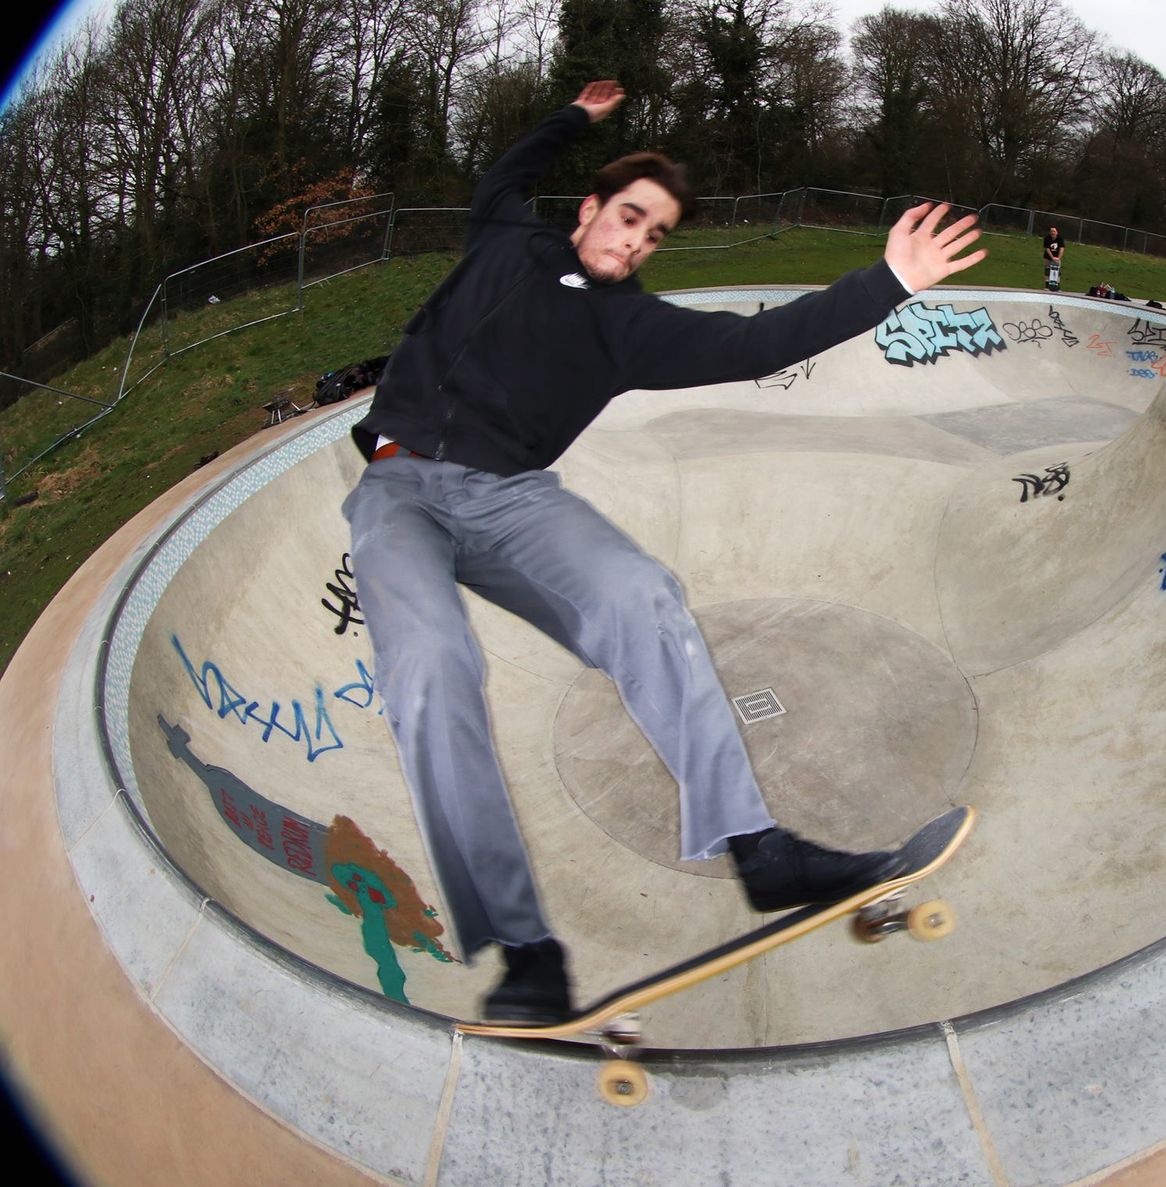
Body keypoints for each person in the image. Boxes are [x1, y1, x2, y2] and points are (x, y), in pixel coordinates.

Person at [341, 81, 985, 1025]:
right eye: (629, 217)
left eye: (655, 235)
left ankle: (760, 850)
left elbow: (761, 342)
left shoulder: (629, 327)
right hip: (398, 492)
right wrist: (575, 117)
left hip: (513, 501)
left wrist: (885, 282)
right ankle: (525, 952)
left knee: (641, 592)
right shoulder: (504, 235)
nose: (636, 242)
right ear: (589, 208)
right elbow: (508, 169)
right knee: (431, 668)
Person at [1042, 226, 1063, 291]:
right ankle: (1047, 286)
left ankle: (1057, 286)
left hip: (1057, 257)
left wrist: (1059, 258)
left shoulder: (1060, 238)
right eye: (1051, 231)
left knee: (1058, 271)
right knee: (1047, 270)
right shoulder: (1047, 238)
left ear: (1056, 232)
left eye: (1054, 231)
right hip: (1048, 256)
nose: (1052, 233)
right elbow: (1047, 249)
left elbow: (1062, 248)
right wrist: (1052, 257)